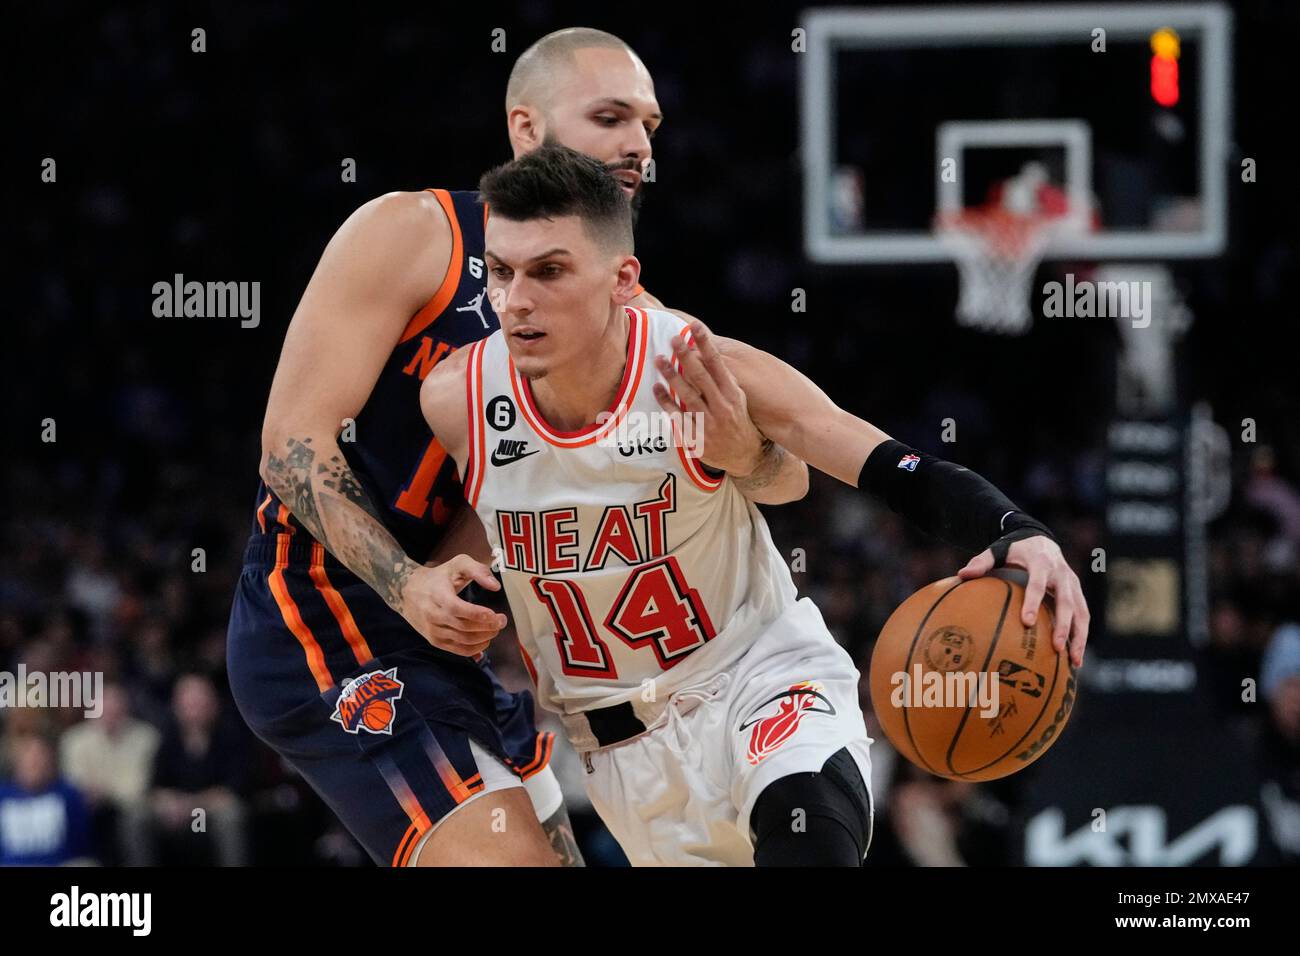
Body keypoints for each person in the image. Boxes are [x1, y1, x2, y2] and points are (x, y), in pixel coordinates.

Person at [226, 27, 806, 868]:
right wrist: (406, 581)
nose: (638, 144)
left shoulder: (624, 316)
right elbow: (289, 445)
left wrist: (745, 457)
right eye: (610, 117)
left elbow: (773, 471)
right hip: (320, 611)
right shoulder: (412, 233)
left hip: (446, 642)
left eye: (648, 125)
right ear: (526, 130)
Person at [420, 145, 1090, 865]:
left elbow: (886, 463)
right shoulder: (457, 399)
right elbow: (473, 531)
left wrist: (1014, 529)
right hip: (620, 757)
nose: (516, 299)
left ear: (622, 281)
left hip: (757, 677)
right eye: (502, 271)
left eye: (549, 271)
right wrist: (420, 582)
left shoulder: (698, 369)